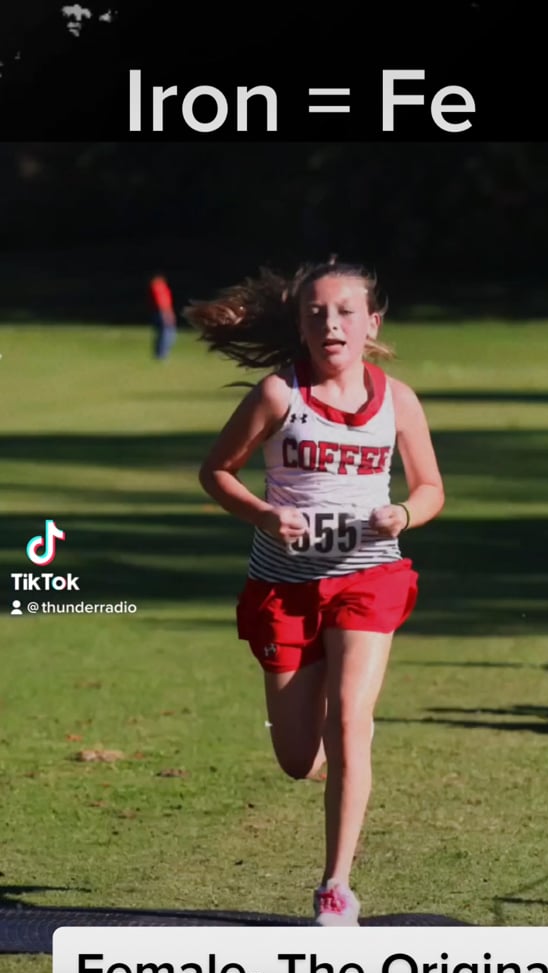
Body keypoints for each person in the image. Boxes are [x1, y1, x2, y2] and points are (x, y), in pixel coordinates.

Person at [185, 258, 445, 926]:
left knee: (352, 721)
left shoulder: (399, 400)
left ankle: (336, 886)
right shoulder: (279, 395)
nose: (332, 324)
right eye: (317, 313)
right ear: (300, 325)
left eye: (346, 312)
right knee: (300, 760)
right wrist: (264, 515)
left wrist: (405, 515)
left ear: (372, 323)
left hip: (370, 575)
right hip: (285, 584)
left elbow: (430, 488)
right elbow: (216, 471)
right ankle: (328, 742)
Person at [149, 273, 177, 360]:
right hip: (163, 312)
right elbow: (162, 301)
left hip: (160, 312)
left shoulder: (156, 287)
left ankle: (160, 353)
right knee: (166, 334)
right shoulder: (159, 287)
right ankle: (162, 354)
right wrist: (167, 313)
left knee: (161, 334)